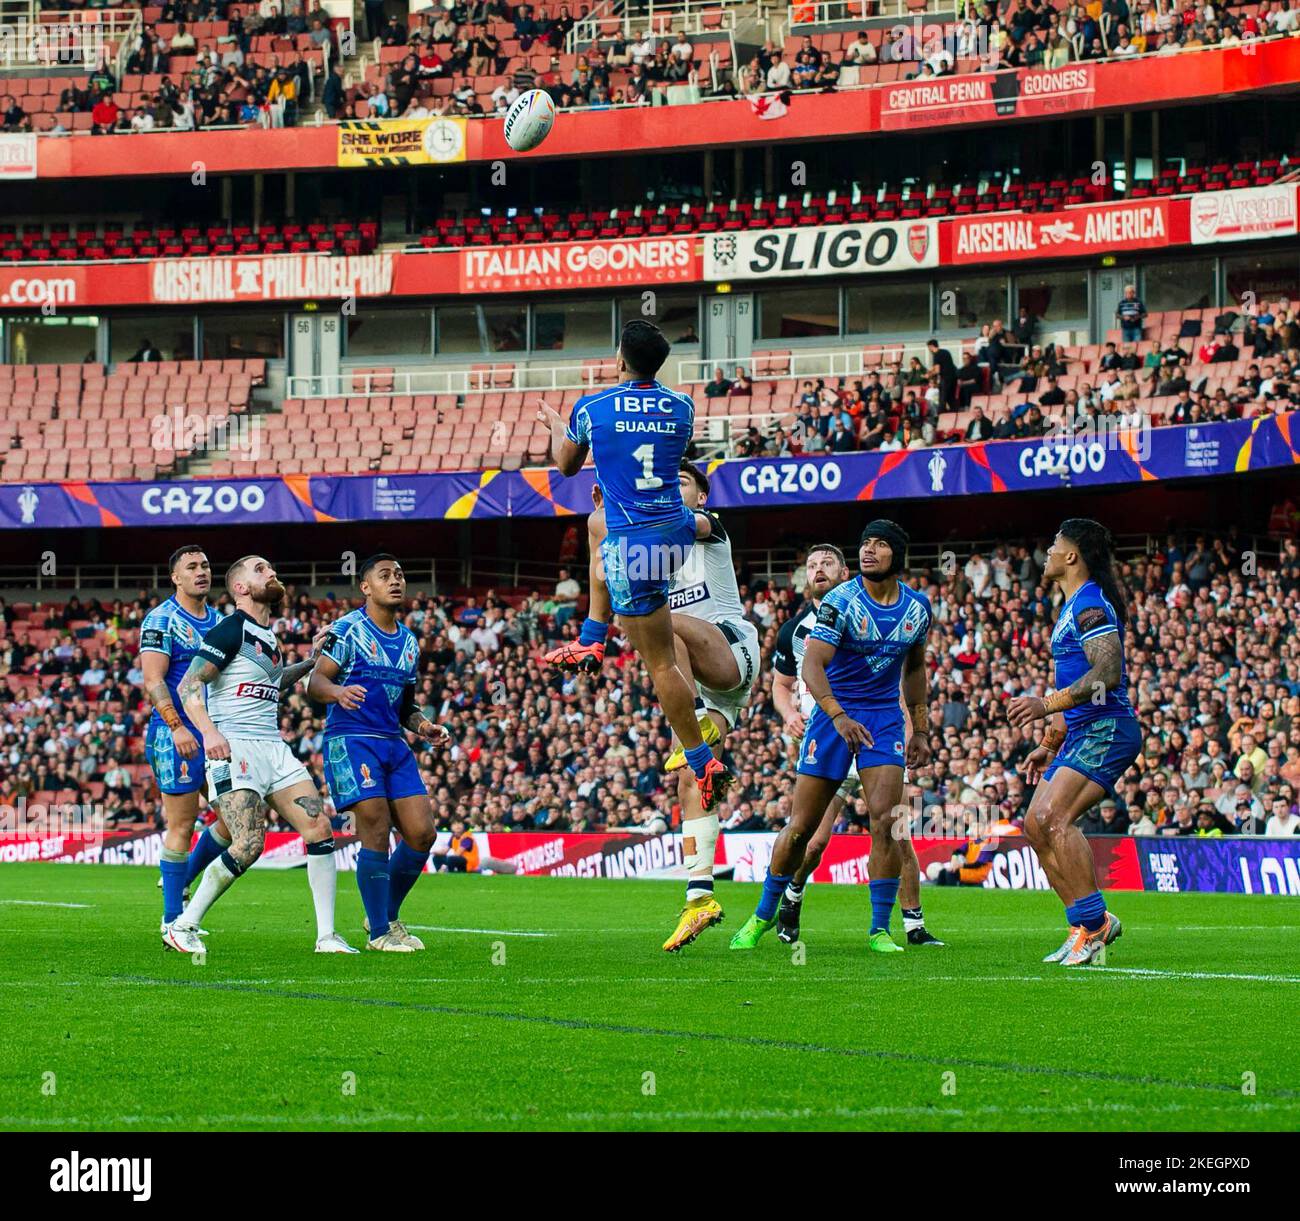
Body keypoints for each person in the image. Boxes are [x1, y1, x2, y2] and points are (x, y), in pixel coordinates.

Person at [560, 464, 761, 951]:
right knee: (691, 780)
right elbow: (606, 553)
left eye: (684, 484)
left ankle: (692, 734)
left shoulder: (709, 527)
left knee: (655, 618)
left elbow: (669, 521)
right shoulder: (651, 552)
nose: (673, 491)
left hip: (730, 650)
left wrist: (622, 503)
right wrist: (604, 508)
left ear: (703, 493)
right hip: (700, 680)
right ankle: (700, 897)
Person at [537, 320, 734, 812]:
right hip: (676, 529)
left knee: (661, 660)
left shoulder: (592, 407)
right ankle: (591, 637)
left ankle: (701, 758)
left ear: (620, 360)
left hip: (638, 544)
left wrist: (561, 428)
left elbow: (565, 466)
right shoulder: (683, 406)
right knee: (596, 523)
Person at [731, 520, 933, 954]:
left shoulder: (918, 608)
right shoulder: (839, 601)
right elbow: (811, 667)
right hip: (832, 717)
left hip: (882, 720)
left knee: (887, 822)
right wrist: (838, 716)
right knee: (803, 829)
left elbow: (915, 669)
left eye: (879, 545)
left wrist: (922, 727)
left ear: (897, 555)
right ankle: (761, 915)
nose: (868, 551)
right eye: (865, 544)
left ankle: (880, 930)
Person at [163, 556, 354, 955]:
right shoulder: (230, 629)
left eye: (271, 567)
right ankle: (183, 925)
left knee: (320, 830)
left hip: (273, 747)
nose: (272, 573)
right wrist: (209, 732)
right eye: (261, 569)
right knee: (249, 843)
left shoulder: (269, 636)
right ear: (241, 588)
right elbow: (188, 685)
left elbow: (272, 684)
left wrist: (310, 661)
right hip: (235, 745)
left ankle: (326, 937)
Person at [1008, 519, 1142, 967]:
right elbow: (1074, 678)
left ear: (1072, 556)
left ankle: (1097, 922)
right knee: (1034, 824)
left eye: (1053, 544)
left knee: (1054, 817)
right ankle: (1081, 926)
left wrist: (1044, 705)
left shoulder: (1089, 605)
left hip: (1108, 728)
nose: (1046, 551)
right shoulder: (1070, 605)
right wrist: (1050, 740)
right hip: (1081, 730)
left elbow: (1107, 674)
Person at [309, 554, 451, 952]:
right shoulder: (348, 629)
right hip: (351, 738)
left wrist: (424, 726)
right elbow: (315, 682)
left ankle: (382, 914)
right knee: (373, 823)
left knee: (422, 833)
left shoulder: (408, 642)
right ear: (366, 587)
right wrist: (338, 692)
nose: (396, 581)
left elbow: (406, 705)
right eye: (385, 575)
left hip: (393, 742)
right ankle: (379, 935)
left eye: (401, 575)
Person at [139, 546, 228, 933]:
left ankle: (183, 877)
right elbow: (154, 680)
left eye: (205, 565)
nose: (201, 572)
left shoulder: (223, 622)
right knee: (182, 824)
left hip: (214, 734)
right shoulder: (161, 620)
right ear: (175, 577)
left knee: (237, 818)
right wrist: (176, 726)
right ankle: (172, 919)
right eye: (191, 567)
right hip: (176, 733)